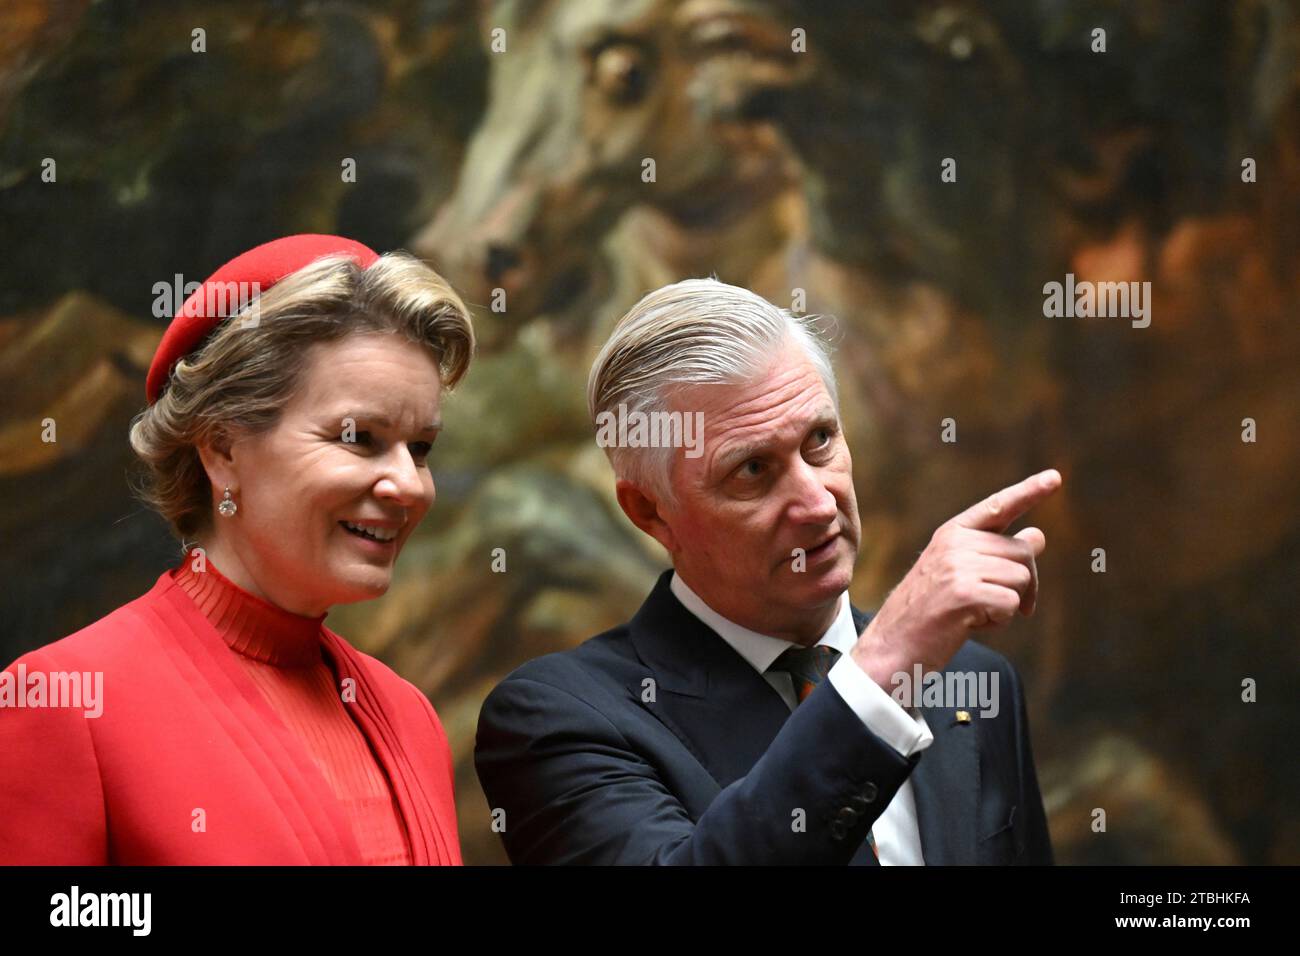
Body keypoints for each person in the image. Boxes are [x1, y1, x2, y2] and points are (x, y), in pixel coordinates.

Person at [475, 277, 1056, 864]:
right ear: (651, 512)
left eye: (820, 440)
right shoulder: (559, 718)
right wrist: (880, 669)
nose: (820, 504)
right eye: (753, 470)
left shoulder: (974, 680)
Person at [0, 234, 474, 864]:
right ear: (223, 448)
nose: (409, 485)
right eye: (359, 438)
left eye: (420, 449)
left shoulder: (406, 713)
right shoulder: (64, 701)